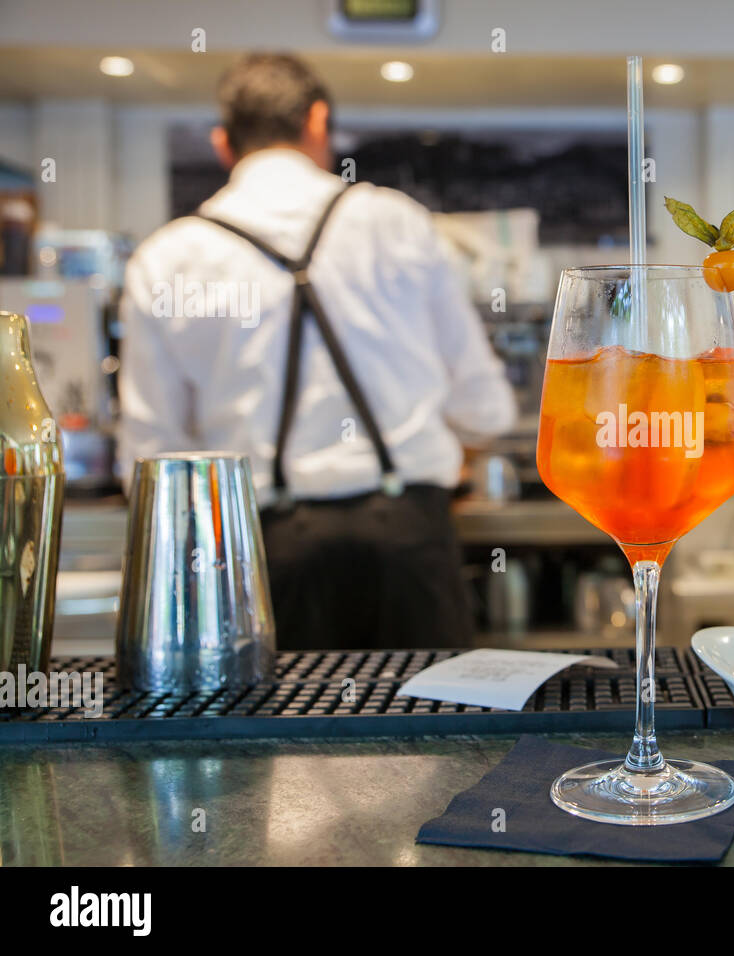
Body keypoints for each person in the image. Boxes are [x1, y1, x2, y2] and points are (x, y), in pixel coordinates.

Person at [117, 53, 516, 650]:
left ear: (223, 143)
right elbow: (487, 410)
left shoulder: (167, 256)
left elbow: (150, 462)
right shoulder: (397, 223)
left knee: (283, 738)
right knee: (439, 735)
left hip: (261, 551)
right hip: (407, 537)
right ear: (318, 121)